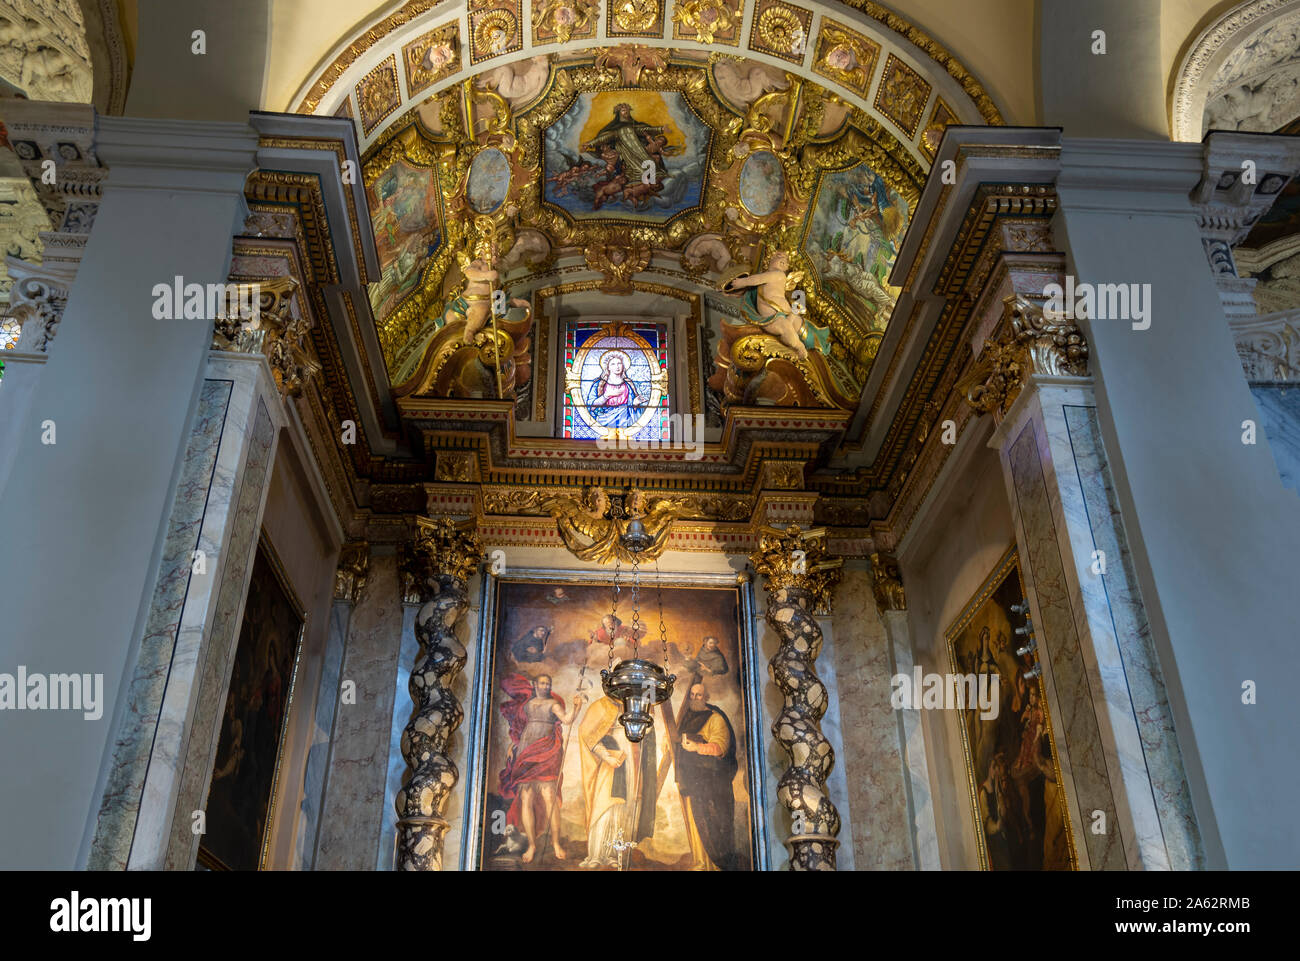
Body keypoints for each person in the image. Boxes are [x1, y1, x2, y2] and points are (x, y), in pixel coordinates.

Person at [497, 674, 585, 863]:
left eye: (548, 683)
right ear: (535, 685)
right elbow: (519, 728)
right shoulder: (526, 706)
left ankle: (555, 843)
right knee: (526, 797)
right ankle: (532, 845)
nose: (545, 686)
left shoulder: (553, 704)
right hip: (526, 750)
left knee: (549, 797)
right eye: (542, 683)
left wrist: (577, 707)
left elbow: (567, 720)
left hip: (547, 750)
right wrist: (513, 749)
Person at [577, 693, 657, 868]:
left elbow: (647, 730)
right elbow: (590, 736)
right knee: (605, 809)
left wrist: (649, 711)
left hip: (631, 768)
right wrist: (606, 757)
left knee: (624, 811)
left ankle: (614, 854)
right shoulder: (604, 706)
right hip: (611, 765)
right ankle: (597, 854)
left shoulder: (636, 707)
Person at [674, 683, 738, 870]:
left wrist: (698, 748)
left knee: (714, 822)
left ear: (706, 697)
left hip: (714, 784)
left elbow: (720, 748)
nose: (695, 699)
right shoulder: (688, 720)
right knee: (698, 821)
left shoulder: (715, 718)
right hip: (695, 782)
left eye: (699, 695)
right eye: (692, 695)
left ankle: (718, 865)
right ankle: (702, 862)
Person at [721, 251, 830, 360]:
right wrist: (734, 290)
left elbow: (755, 280)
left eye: (786, 261)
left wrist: (741, 282)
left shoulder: (778, 274)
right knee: (789, 327)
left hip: (781, 314)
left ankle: (803, 346)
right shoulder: (766, 279)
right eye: (779, 256)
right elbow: (751, 290)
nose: (783, 260)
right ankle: (802, 345)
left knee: (795, 328)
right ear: (770, 259)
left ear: (786, 268)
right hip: (774, 318)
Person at [585, 350, 643, 429]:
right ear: (608, 367)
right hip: (604, 420)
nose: (617, 366)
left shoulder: (629, 384)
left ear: (623, 366)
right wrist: (606, 396)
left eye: (619, 363)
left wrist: (635, 404)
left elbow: (633, 411)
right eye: (613, 364)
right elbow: (591, 407)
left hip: (625, 420)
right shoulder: (598, 384)